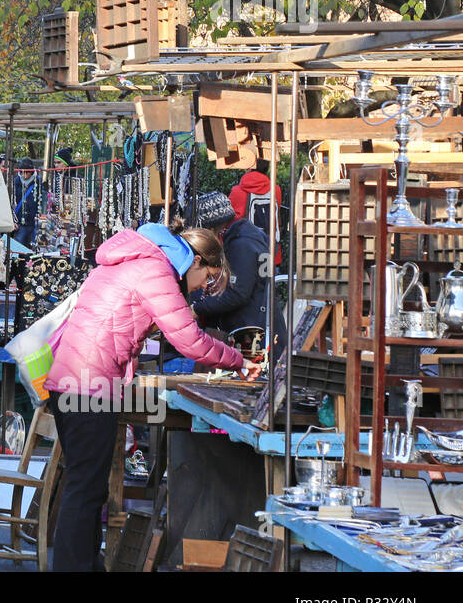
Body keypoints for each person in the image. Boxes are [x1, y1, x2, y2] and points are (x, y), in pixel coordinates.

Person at [44, 221, 255, 571]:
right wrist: (238, 360)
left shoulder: (134, 258)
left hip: (73, 379)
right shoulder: (157, 270)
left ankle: (84, 564)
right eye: (208, 277)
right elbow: (188, 341)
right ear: (197, 261)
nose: (203, 287)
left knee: (86, 487)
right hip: (89, 384)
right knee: (85, 490)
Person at [192, 191, 288, 357]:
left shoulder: (242, 245)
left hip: (253, 336)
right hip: (254, 329)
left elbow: (236, 294)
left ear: (212, 229)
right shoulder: (245, 238)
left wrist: (197, 308)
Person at [231, 158, 284, 266]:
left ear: (248, 167)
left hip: (244, 254)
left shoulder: (237, 191)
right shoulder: (276, 190)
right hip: (270, 253)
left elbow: (231, 222)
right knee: (268, 282)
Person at [12, 157, 39, 248]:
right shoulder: (16, 181)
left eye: (26, 172)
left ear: (31, 172)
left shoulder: (38, 182)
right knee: (18, 248)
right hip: (20, 222)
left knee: (33, 248)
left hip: (34, 222)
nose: (24, 175)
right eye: (21, 172)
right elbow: (12, 200)